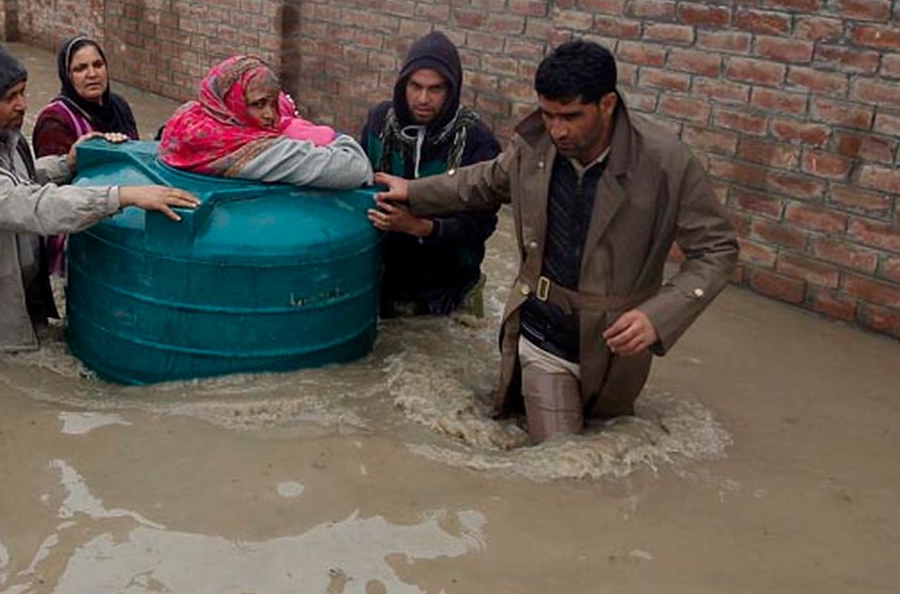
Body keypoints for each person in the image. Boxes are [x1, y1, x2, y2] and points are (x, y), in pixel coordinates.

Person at [373, 39, 738, 443]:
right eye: (548, 115)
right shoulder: (534, 147)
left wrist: (659, 315)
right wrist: (415, 191)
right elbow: (484, 182)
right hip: (543, 330)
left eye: (571, 116)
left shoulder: (666, 163)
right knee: (560, 454)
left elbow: (716, 250)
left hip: (618, 344)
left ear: (608, 105)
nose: (557, 129)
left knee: (611, 441)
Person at [0, 37, 199, 355]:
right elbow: (32, 205)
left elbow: (20, 180)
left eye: (22, 92)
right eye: (10, 97)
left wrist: (68, 163)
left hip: (9, 299)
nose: (23, 104)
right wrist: (122, 196)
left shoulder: (2, 137)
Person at [361, 31, 501, 317]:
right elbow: (360, 187)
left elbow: (481, 224)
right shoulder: (379, 124)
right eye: (415, 86)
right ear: (403, 86)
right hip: (385, 282)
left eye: (435, 89)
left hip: (449, 288)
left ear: (452, 90)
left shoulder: (476, 140)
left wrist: (418, 226)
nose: (423, 99)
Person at [157, 55, 371, 190]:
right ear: (233, 102)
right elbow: (356, 169)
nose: (271, 115)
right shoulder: (249, 148)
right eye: (258, 104)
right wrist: (331, 137)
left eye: (274, 103)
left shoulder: (187, 118)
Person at [31, 36, 140, 160]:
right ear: (67, 76)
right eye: (81, 69)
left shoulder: (119, 107)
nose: (92, 74)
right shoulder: (54, 120)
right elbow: (51, 174)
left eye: (98, 65)